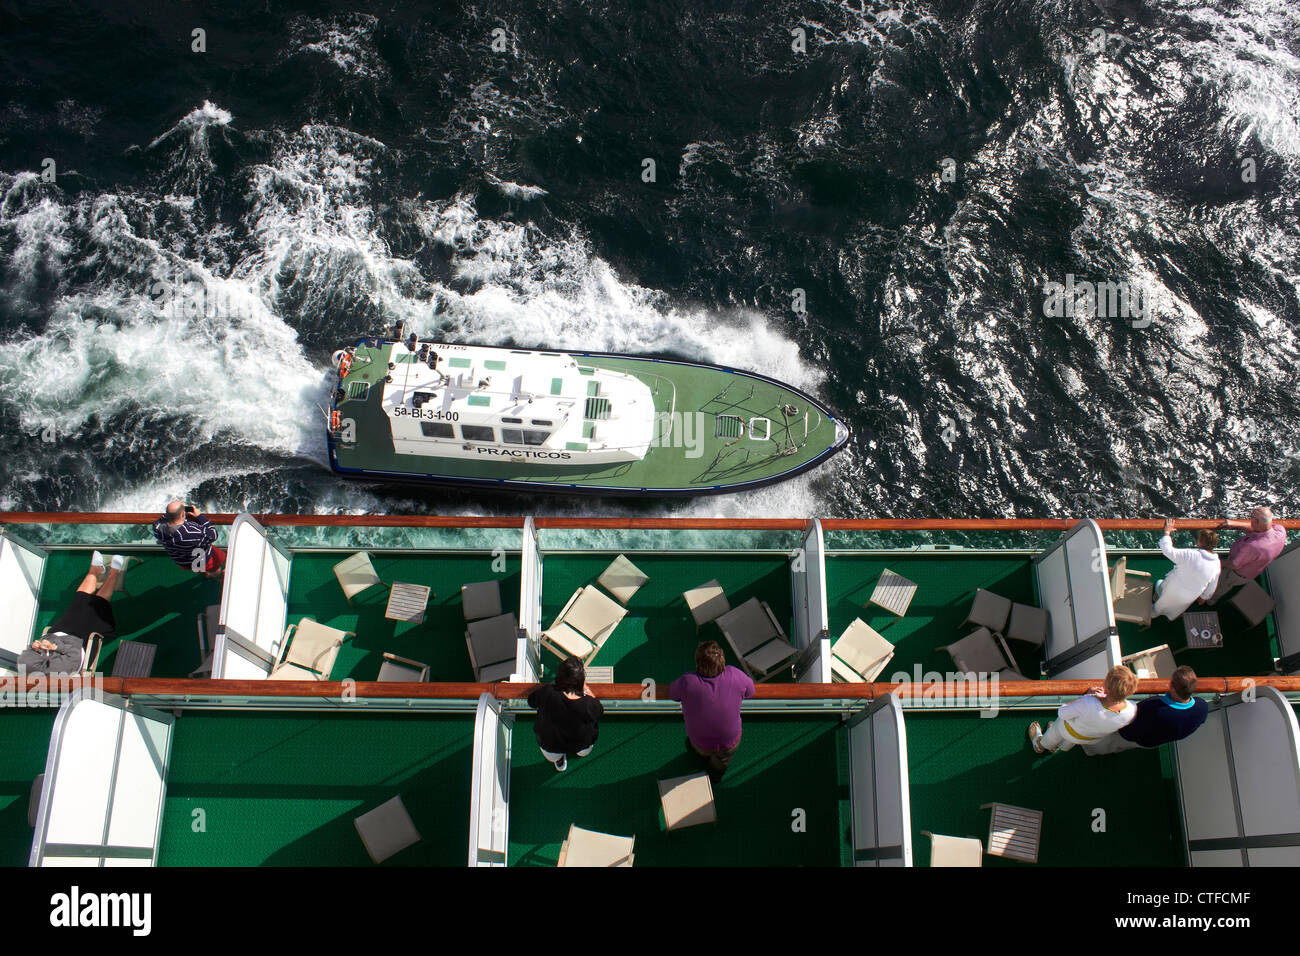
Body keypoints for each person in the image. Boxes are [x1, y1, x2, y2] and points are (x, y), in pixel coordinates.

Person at [18, 552, 126, 676]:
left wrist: (35, 647)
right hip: (77, 643)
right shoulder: (57, 670)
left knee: (78, 603)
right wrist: (55, 648)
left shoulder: (27, 664)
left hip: (58, 635)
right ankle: (113, 574)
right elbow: (75, 654)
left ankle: (95, 571)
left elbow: (27, 655)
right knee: (96, 607)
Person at [670, 641, 755, 781]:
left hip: (700, 743)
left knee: (695, 747)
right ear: (722, 660)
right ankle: (714, 776)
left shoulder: (687, 682)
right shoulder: (735, 675)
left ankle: (700, 756)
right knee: (721, 762)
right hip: (729, 743)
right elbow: (750, 692)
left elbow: (673, 694)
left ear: (698, 663)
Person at [1082, 666, 1208, 755]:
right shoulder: (1202, 707)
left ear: (1173, 688)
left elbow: (1129, 730)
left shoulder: (1154, 708)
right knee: (1121, 746)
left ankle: (1090, 750)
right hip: (1152, 741)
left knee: (1109, 744)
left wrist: (1101, 698)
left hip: (1131, 736)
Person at [1028, 665, 1138, 754]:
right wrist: (1102, 697)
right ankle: (1058, 747)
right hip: (1090, 739)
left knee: (1054, 734)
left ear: (1107, 687)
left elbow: (1062, 713)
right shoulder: (1132, 710)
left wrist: (1089, 696)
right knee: (1068, 742)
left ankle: (1040, 745)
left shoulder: (1088, 702)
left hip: (1068, 730)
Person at [525, 656, 603, 772]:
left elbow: (531, 702)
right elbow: (599, 711)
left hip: (550, 744)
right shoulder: (588, 704)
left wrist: (553, 685)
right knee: (583, 751)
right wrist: (587, 690)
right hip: (581, 744)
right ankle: (577, 753)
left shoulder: (547, 693)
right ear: (581, 682)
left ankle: (559, 760)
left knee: (553, 753)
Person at [1209, 506, 1287, 602]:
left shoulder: (1253, 547)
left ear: (1257, 522)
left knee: (1221, 586)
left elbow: (1234, 565)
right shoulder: (1280, 531)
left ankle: (1210, 600)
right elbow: (1262, 529)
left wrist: (1215, 562)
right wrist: (1234, 524)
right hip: (1251, 570)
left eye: (1251, 517)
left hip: (1237, 574)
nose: (1249, 520)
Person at [1150, 519, 1220, 621]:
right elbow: (1210, 590)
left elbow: (1167, 550)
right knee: (1177, 607)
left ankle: (1153, 614)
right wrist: (1203, 597)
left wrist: (1167, 532)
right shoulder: (1216, 564)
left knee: (1161, 597)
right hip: (1189, 596)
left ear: (1199, 542)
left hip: (1173, 589)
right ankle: (1170, 615)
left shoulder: (1190, 554)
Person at [153, 500, 225, 577]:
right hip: (201, 559)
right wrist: (199, 516)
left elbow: (166, 519)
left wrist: (180, 517)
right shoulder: (190, 532)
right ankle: (217, 575)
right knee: (219, 561)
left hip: (182, 561)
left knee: (197, 567)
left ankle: (204, 573)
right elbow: (213, 534)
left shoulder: (157, 527)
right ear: (182, 514)